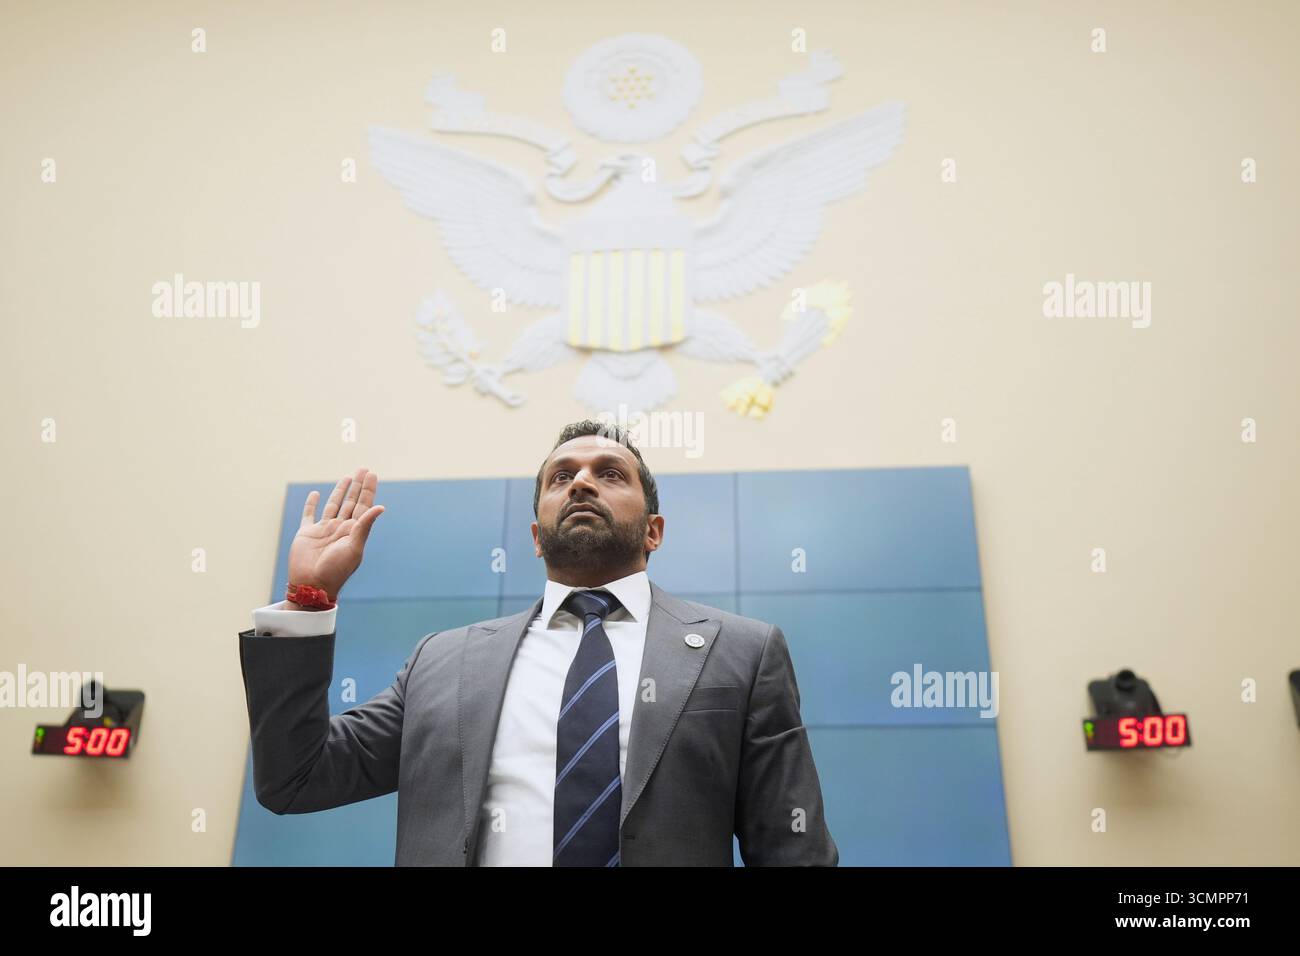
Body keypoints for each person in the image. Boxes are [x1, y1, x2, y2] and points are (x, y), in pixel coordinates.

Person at [238, 420, 837, 866]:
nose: (581, 482)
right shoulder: (442, 663)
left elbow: (793, 850)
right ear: (534, 536)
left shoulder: (742, 652)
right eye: (561, 477)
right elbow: (297, 778)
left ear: (654, 530)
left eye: (609, 474)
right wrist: (307, 599)